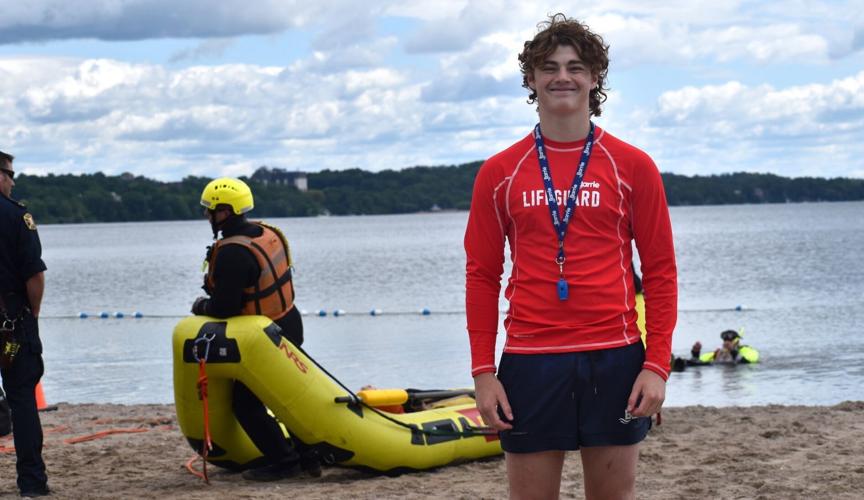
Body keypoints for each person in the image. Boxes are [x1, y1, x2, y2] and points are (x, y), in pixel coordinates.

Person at [464, 14, 677, 499]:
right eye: (550, 67)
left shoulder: (633, 166)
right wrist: (483, 373)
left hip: (616, 356)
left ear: (595, 77)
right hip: (530, 359)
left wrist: (657, 364)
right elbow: (481, 275)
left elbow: (661, 272)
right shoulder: (499, 172)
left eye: (576, 67)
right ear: (531, 79)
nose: (563, 76)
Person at [190, 177, 320, 481]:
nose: (207, 215)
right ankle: (309, 455)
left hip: (264, 337)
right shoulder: (266, 233)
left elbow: (225, 307)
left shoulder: (233, 253)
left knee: (245, 404)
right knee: (289, 395)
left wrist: (200, 306)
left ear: (225, 211)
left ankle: (284, 461)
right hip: (289, 321)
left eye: (211, 210)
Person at [0, 150, 50, 497]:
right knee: (22, 399)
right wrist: (32, 314)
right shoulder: (17, 217)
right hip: (11, 323)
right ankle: (31, 483)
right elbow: (34, 275)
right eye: (9, 174)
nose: (13, 181)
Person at [689, 330, 760, 365]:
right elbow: (699, 362)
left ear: (737, 342)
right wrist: (695, 354)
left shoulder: (748, 351)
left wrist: (733, 351)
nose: (726, 343)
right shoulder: (717, 353)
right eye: (725, 341)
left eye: (729, 342)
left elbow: (749, 361)